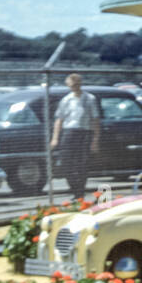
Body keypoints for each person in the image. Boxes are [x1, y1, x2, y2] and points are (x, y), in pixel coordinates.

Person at [50, 73, 101, 202]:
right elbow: (59, 120)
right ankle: (74, 189)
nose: (74, 87)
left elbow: (95, 120)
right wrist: (55, 138)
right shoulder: (66, 100)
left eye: (76, 85)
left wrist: (95, 140)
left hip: (85, 132)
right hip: (69, 132)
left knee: (82, 164)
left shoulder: (89, 98)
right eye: (71, 85)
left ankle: (80, 193)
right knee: (66, 163)